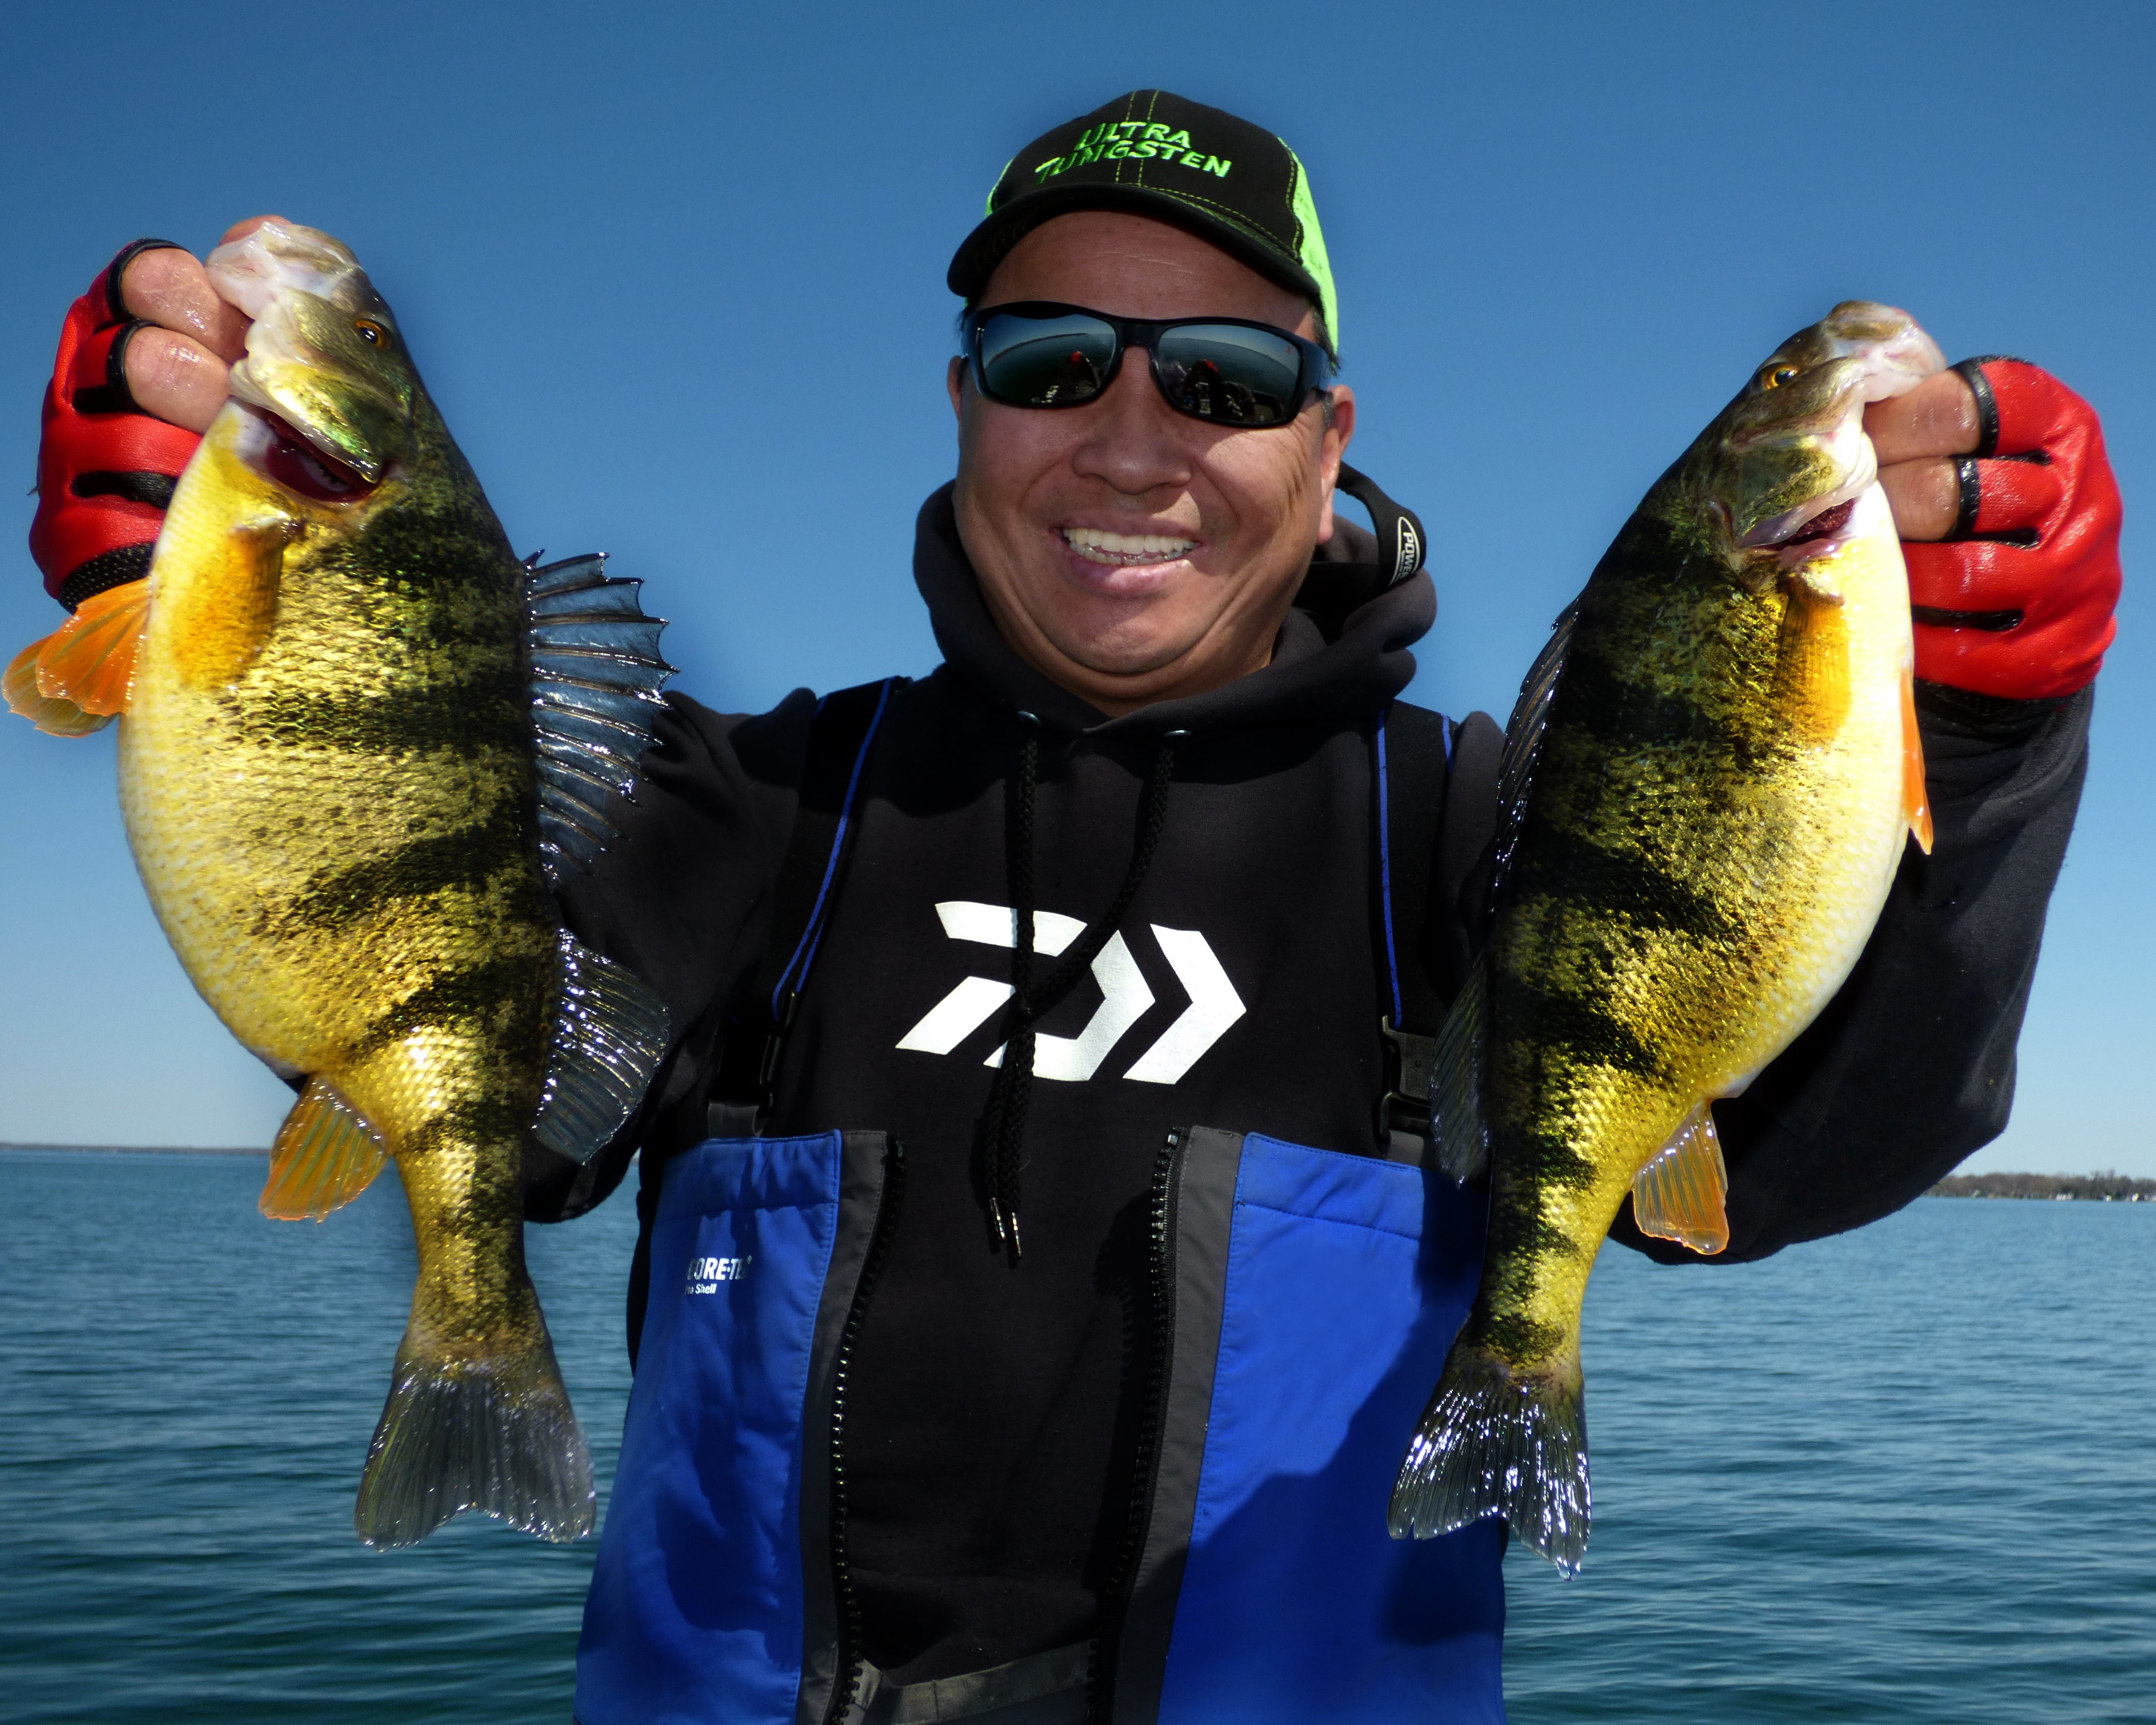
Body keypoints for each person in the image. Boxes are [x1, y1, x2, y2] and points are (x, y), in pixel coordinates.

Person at [26, 91, 2118, 1725]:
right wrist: (208, 624)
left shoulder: (1487, 832)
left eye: (1218, 374)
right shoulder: (756, 807)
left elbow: (1829, 1131)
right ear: (961, 408)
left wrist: (2001, 744)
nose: (1130, 436)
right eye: (1047, 358)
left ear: (1326, 445)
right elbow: (441, 1023)